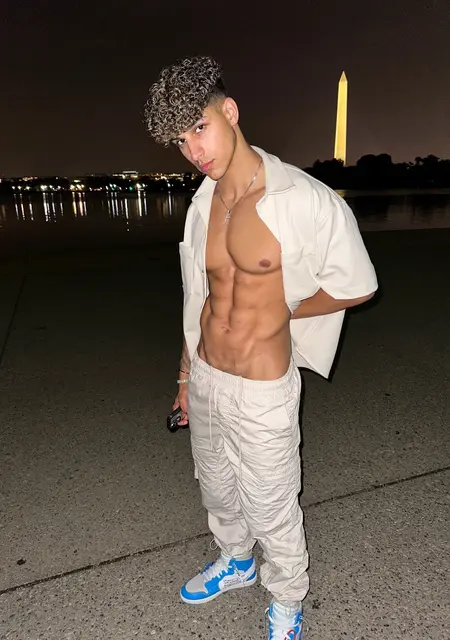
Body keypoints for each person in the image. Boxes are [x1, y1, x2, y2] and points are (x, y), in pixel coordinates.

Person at [145, 56, 377, 640]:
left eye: (199, 128)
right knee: (216, 487)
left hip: (262, 386)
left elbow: (358, 283)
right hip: (206, 376)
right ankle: (236, 561)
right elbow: (198, 300)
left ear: (230, 111)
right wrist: (184, 378)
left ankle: (287, 599)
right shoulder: (201, 205)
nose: (194, 150)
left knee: (272, 504)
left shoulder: (304, 198)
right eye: (180, 141)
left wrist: (290, 308)